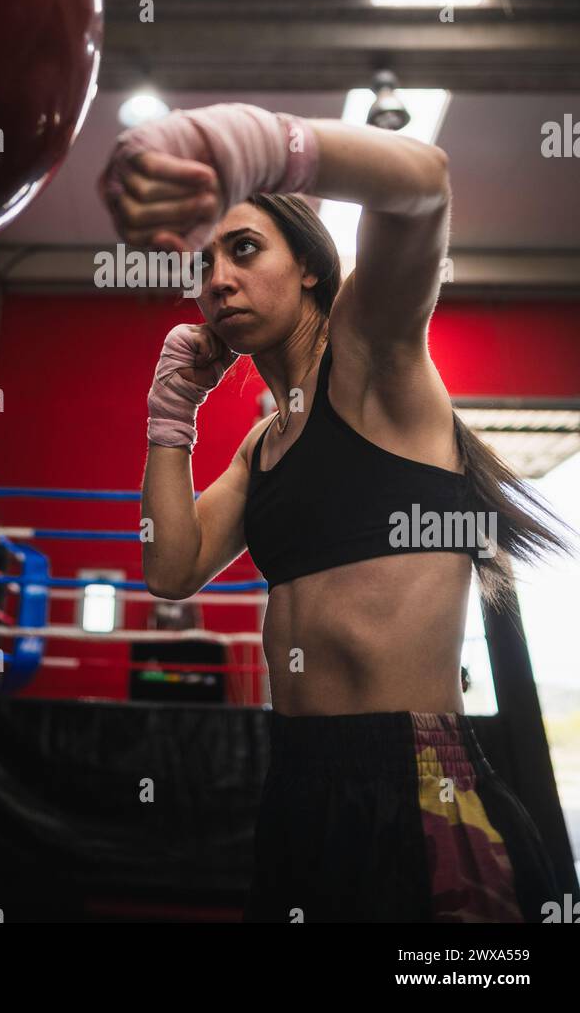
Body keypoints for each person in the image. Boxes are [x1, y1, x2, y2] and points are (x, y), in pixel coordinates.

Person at [97, 101, 575, 924]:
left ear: (313, 266)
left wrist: (249, 146)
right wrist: (171, 418)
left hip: (416, 775)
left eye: (243, 249)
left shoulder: (369, 356)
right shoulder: (262, 444)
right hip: (298, 779)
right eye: (205, 263)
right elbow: (171, 567)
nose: (216, 281)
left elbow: (425, 180)